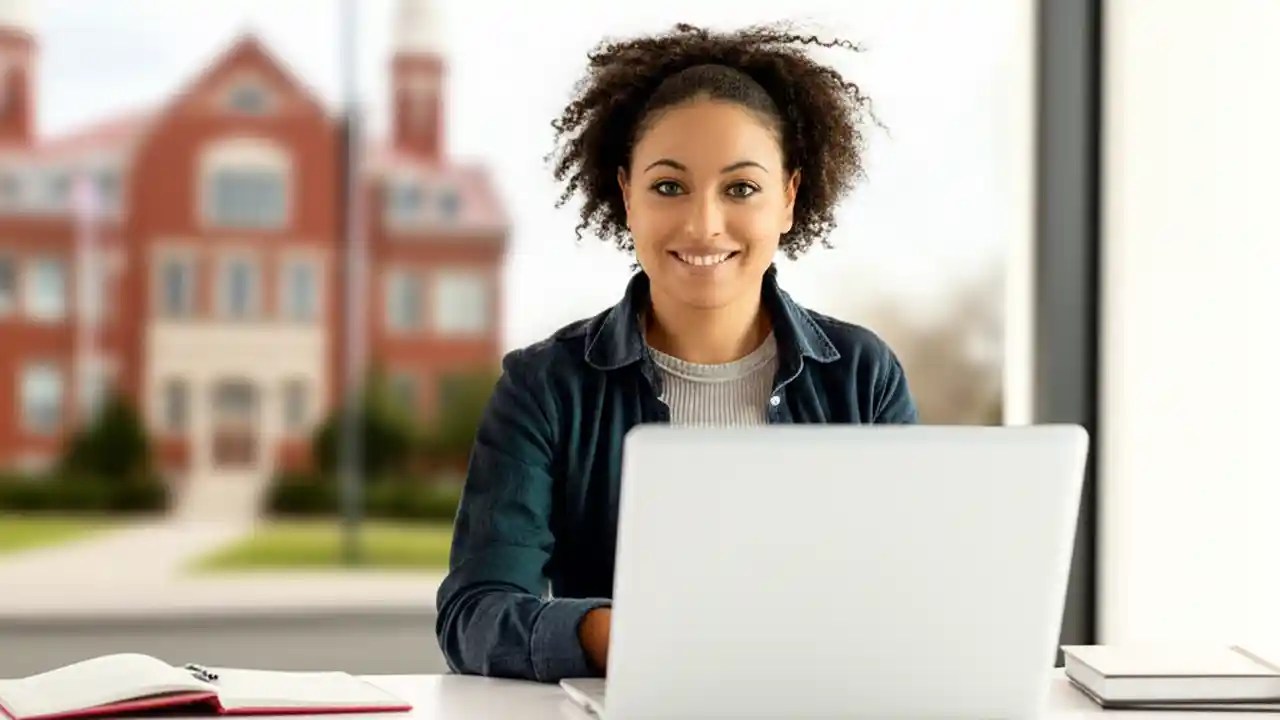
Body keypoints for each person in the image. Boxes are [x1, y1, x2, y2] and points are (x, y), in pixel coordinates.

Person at [434, 22, 919, 683]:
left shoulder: (863, 377)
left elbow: (909, 598)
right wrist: (630, 637)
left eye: (741, 188)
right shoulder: (544, 386)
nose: (703, 224)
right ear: (627, 194)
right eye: (668, 187)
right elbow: (474, 614)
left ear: (789, 198)